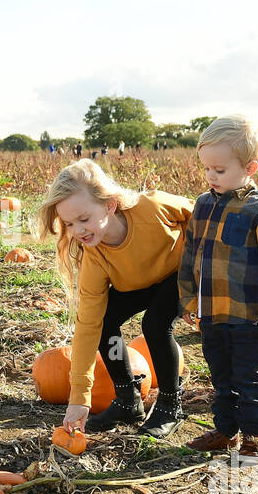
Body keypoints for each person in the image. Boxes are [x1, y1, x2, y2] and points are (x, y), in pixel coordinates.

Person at [38, 159, 194, 435]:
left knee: (155, 324)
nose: (77, 231)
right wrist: (79, 398)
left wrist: (207, 280)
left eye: (84, 219)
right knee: (103, 321)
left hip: (179, 272)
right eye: (70, 223)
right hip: (138, 283)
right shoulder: (94, 259)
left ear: (109, 204)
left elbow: (202, 217)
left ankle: (170, 405)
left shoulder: (153, 207)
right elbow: (87, 327)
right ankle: (127, 400)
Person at [175, 115, 258, 463]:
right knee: (221, 377)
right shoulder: (204, 204)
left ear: (250, 167)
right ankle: (226, 432)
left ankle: (257, 436)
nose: (211, 176)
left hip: (248, 317)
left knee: (248, 378)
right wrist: (188, 298)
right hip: (212, 312)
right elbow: (191, 253)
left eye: (220, 170)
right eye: (207, 168)